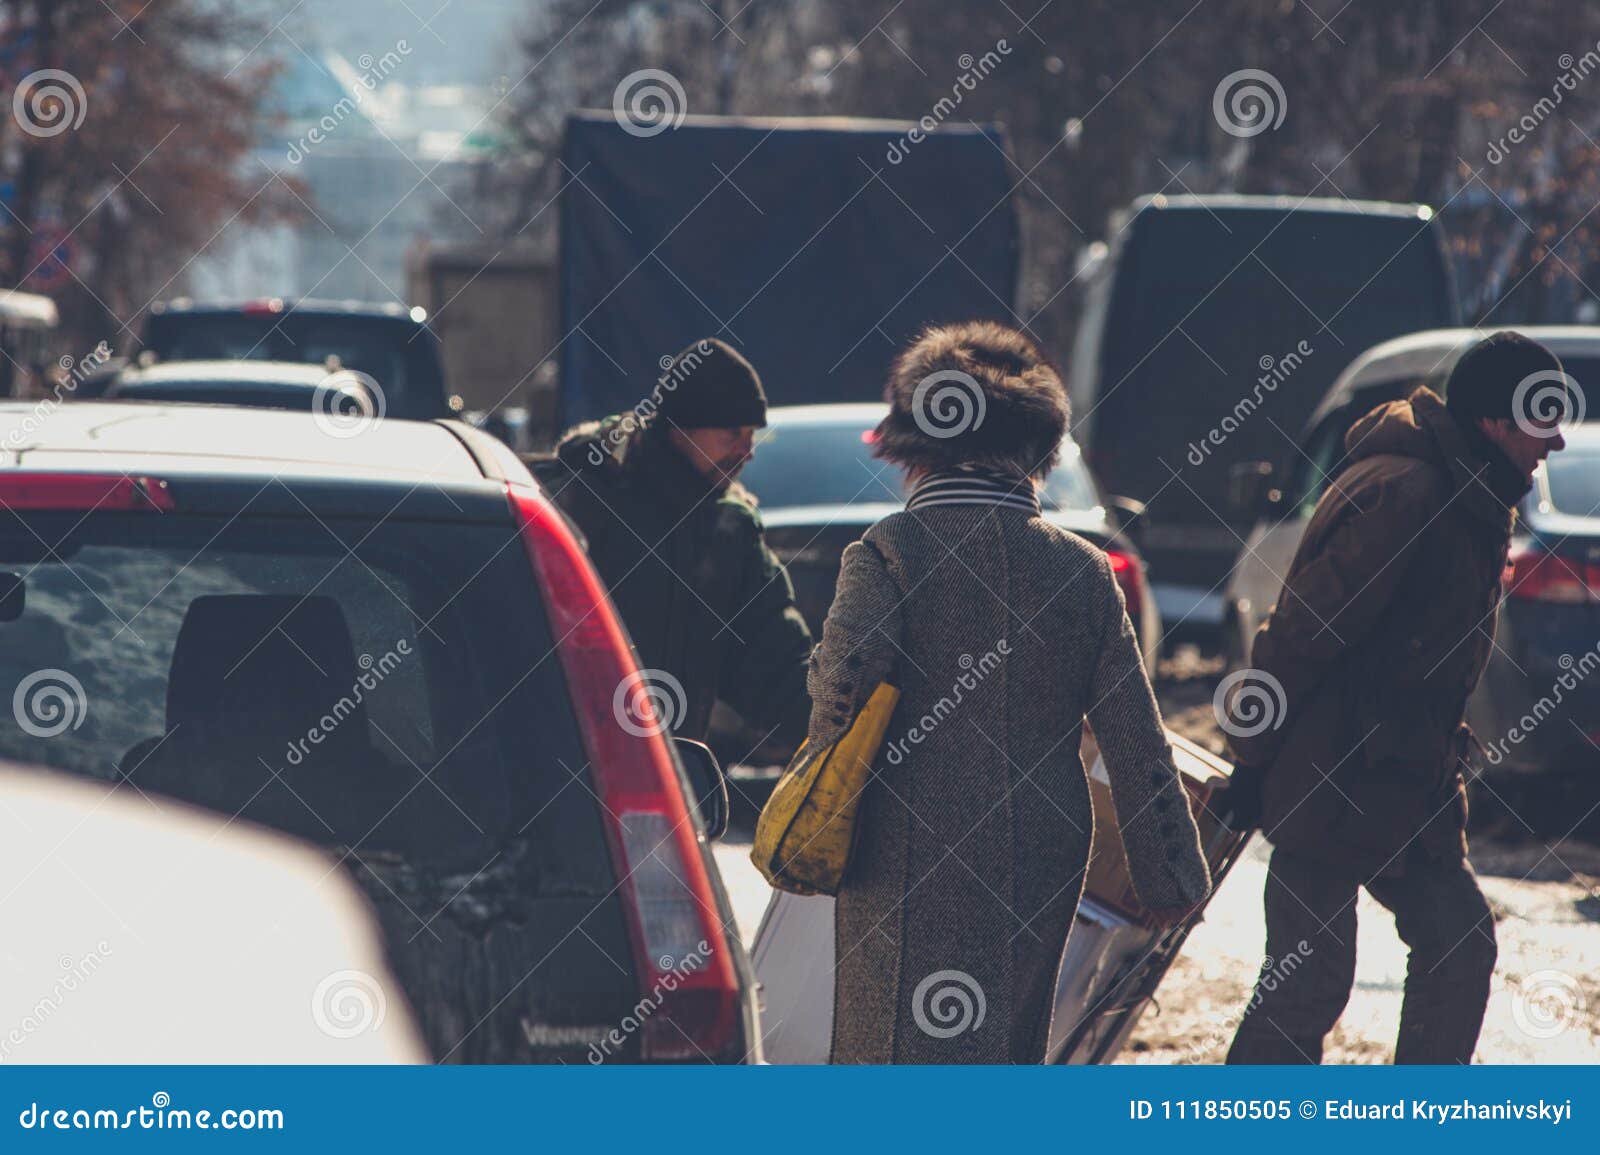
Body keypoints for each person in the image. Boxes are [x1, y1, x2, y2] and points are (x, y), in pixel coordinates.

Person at [806, 321, 1212, 1064]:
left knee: (892, 1046)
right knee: (1003, 1047)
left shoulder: (890, 551)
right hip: (1040, 846)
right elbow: (1135, 734)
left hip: (901, 842)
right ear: (1038, 453)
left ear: (916, 445)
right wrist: (1171, 872)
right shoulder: (1084, 572)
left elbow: (841, 687)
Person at [1224, 331, 1569, 1064]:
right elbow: (1299, 636)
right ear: (1493, 422)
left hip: (1406, 788)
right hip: (1329, 778)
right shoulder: (1407, 492)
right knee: (1306, 986)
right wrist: (1251, 765)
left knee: (1457, 945)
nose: (1558, 439)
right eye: (1543, 417)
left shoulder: (1469, 489)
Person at [544, 338, 812, 746]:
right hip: (571, 768)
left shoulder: (729, 532)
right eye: (731, 433)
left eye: (751, 435)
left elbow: (773, 666)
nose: (747, 452)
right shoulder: (587, 503)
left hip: (674, 782)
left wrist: (844, 717)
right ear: (679, 429)